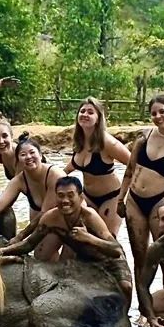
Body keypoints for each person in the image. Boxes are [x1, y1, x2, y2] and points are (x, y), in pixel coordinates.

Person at [0, 176, 132, 299]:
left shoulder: (89, 217)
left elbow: (117, 250)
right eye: (61, 196)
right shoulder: (51, 218)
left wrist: (89, 238)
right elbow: (28, 244)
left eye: (70, 195)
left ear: (80, 198)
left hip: (109, 258)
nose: (65, 201)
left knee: (126, 287)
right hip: (84, 260)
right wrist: (1, 251)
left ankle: (127, 317)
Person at [117, 94, 164, 287]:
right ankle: (144, 309)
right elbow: (129, 170)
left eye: (162, 112)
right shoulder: (144, 136)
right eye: (154, 113)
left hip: (160, 203)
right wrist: (120, 199)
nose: (158, 116)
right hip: (134, 201)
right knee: (140, 257)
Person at [0, 136, 64, 257]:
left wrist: (20, 236)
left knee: (42, 255)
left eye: (32, 152)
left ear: (41, 155)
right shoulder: (20, 180)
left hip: (66, 217)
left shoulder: (54, 175)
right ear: (18, 160)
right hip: (40, 215)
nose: (28, 157)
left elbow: (45, 212)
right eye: (23, 154)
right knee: (42, 253)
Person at [68, 97, 131, 235]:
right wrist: (52, 174)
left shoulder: (107, 142)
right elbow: (72, 165)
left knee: (108, 240)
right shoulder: (79, 140)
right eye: (82, 111)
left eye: (90, 112)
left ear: (98, 118)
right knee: (85, 239)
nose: (85, 114)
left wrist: (125, 193)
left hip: (111, 197)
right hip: (88, 196)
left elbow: (133, 164)